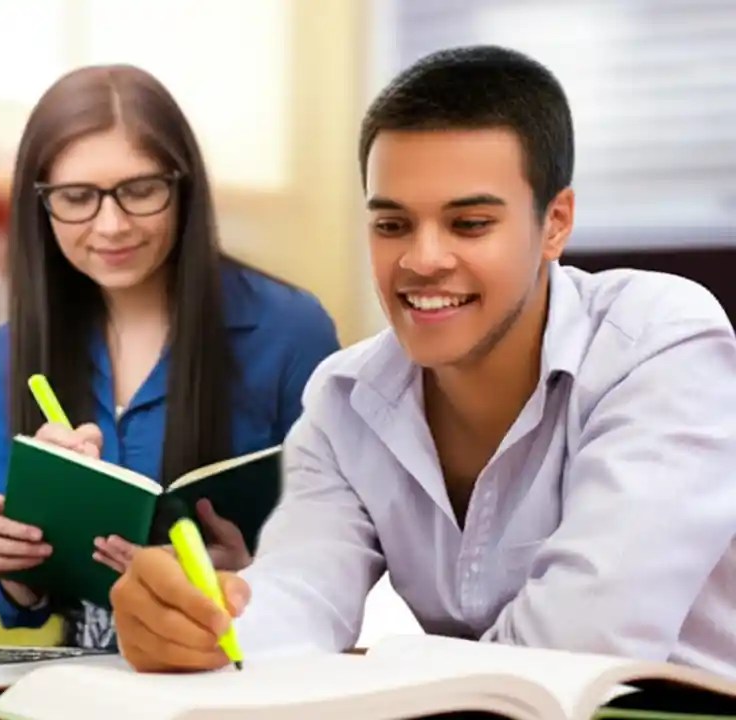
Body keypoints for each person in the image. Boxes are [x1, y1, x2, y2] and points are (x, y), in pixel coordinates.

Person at [109, 45, 736, 676]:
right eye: (392, 225)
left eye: (470, 224)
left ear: (555, 223)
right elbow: (301, 588)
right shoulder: (344, 398)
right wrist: (204, 627)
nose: (422, 259)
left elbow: (583, 646)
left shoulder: (658, 345)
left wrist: (384, 663)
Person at [0, 65, 341, 650]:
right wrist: (11, 563)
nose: (112, 225)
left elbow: (339, 558)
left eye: (140, 191)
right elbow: (23, 607)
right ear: (40, 205)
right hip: (83, 680)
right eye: (77, 198)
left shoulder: (290, 331)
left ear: (183, 187)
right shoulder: (13, 351)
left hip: (237, 671)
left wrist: (250, 577)